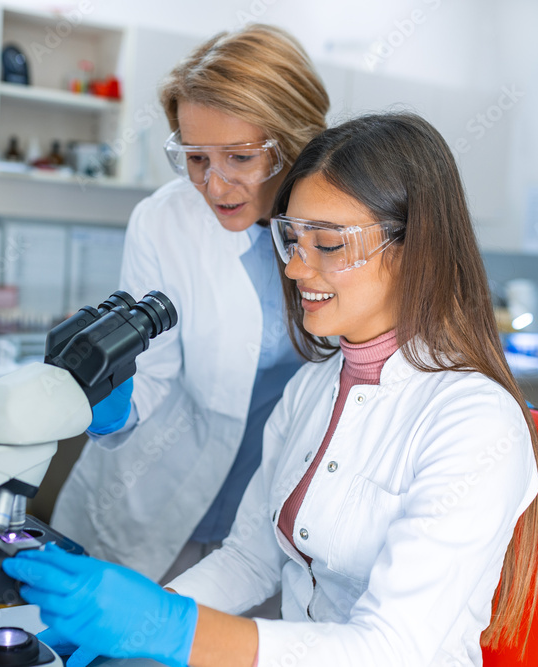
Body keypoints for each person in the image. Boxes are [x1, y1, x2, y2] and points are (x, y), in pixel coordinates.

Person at [5, 112, 538, 667]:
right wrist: (137, 618)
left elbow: (393, 648)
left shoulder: (475, 422)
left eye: (328, 244)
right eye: (292, 239)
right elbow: (250, 560)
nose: (295, 269)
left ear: (416, 250)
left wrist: (173, 629)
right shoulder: (312, 387)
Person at [50, 24, 330, 586]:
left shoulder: (340, 226)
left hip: (271, 520)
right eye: (196, 157)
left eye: (240, 157)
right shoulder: (165, 220)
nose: (214, 185)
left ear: (295, 143)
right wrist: (110, 400)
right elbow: (151, 373)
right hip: (155, 505)